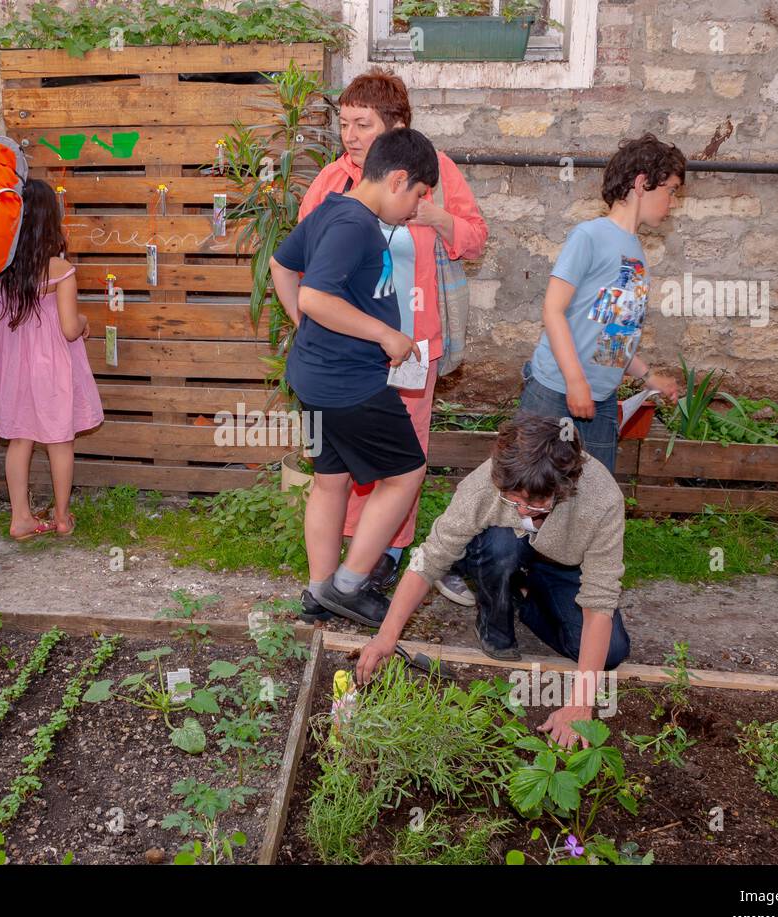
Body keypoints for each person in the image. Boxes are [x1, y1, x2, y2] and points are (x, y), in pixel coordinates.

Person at [296, 69, 488, 617]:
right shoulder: (332, 181)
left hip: (413, 342)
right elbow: (308, 266)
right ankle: (345, 573)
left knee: (406, 452)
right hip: (349, 346)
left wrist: (433, 213)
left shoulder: (435, 172)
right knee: (345, 465)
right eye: (344, 123)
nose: (349, 136)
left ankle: (386, 557)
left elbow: (474, 239)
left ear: (396, 125)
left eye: (362, 124)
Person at [356, 413, 632, 749]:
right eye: (513, 500)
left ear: (564, 488)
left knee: (611, 653)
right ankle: (495, 614)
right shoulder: (484, 485)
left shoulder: (601, 500)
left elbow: (599, 600)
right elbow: (428, 559)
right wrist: (386, 636)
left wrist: (580, 702)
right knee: (499, 546)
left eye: (535, 503)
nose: (522, 510)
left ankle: (529, 599)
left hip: (564, 565)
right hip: (503, 550)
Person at [270, 127, 438, 629]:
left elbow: (282, 265)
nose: (414, 210)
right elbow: (314, 297)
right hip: (348, 382)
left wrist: (306, 331)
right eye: (417, 196)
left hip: (313, 375)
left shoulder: (330, 209)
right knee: (406, 472)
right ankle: (349, 584)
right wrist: (385, 335)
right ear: (398, 179)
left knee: (330, 481)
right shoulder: (355, 224)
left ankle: (319, 591)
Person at [521, 133, 686, 474]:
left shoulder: (636, 251)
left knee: (594, 500)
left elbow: (613, 333)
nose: (672, 202)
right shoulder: (590, 236)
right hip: (555, 390)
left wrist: (647, 376)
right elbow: (553, 310)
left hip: (602, 398)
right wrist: (575, 381)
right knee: (529, 489)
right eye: (670, 190)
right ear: (642, 183)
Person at [0, 180, 103, 539]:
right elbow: (68, 329)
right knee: (59, 441)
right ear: (50, 219)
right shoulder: (59, 269)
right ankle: (63, 518)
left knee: (19, 440)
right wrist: (84, 323)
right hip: (50, 368)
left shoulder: (1, 269)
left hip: (14, 371)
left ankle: (20, 518)